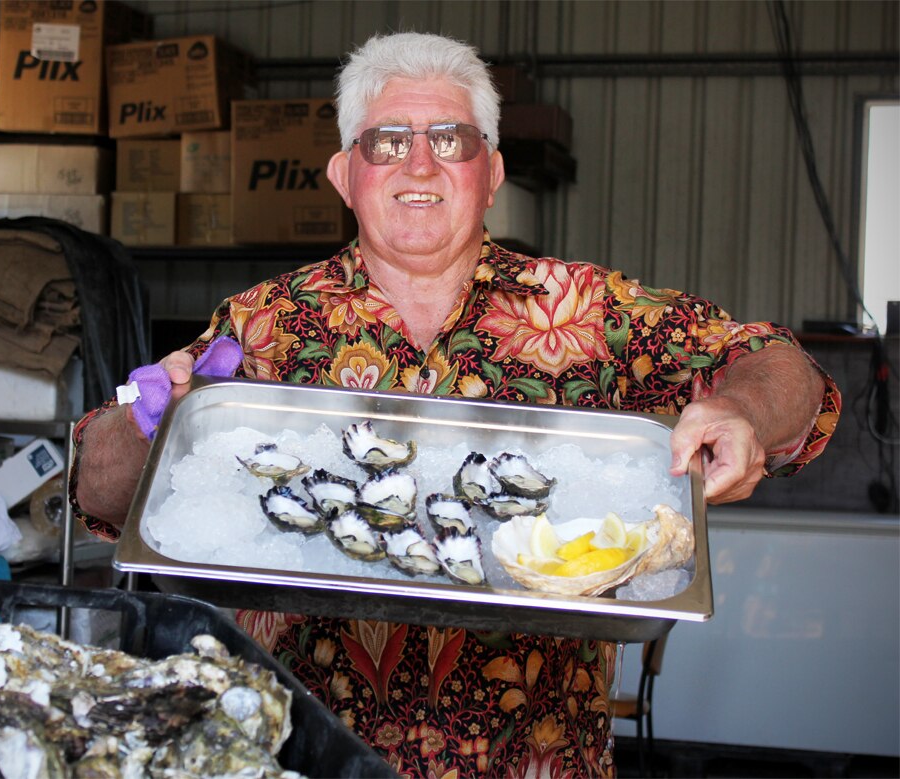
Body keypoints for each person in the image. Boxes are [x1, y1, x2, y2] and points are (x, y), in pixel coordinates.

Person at [71, 32, 840, 777]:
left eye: (450, 138)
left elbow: (784, 367)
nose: (418, 162)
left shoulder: (589, 313)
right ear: (344, 173)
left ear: (492, 170)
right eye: (386, 141)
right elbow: (95, 491)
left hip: (536, 758)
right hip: (305, 754)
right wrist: (143, 419)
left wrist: (743, 408)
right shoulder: (261, 325)